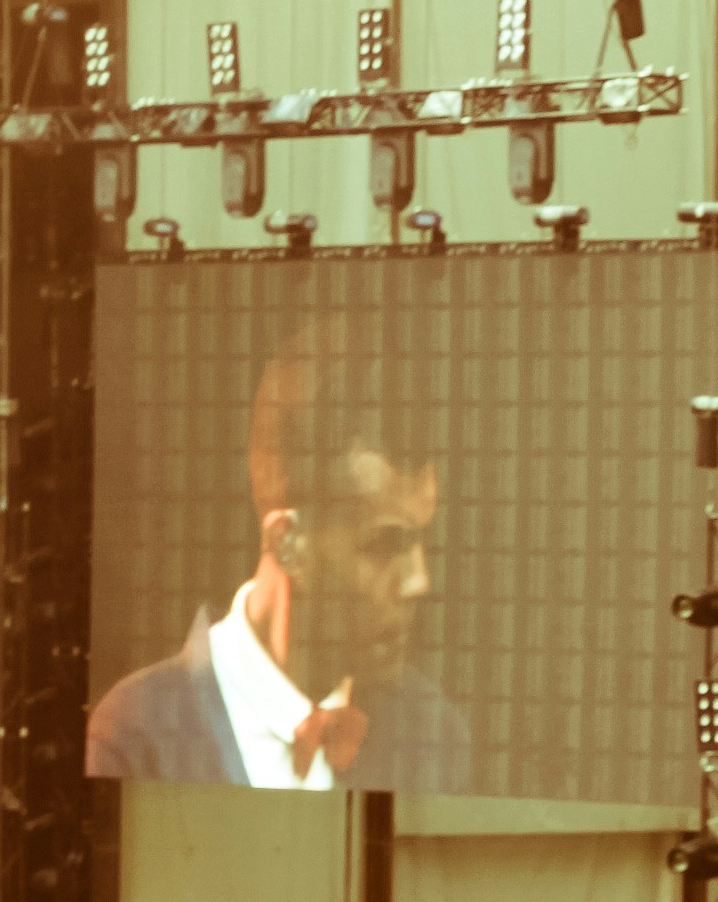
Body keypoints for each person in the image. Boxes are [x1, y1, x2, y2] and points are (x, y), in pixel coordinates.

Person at [82, 340, 473, 794]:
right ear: (288, 543)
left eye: (423, 543)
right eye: (384, 546)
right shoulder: (134, 732)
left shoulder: (433, 736)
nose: (418, 582)